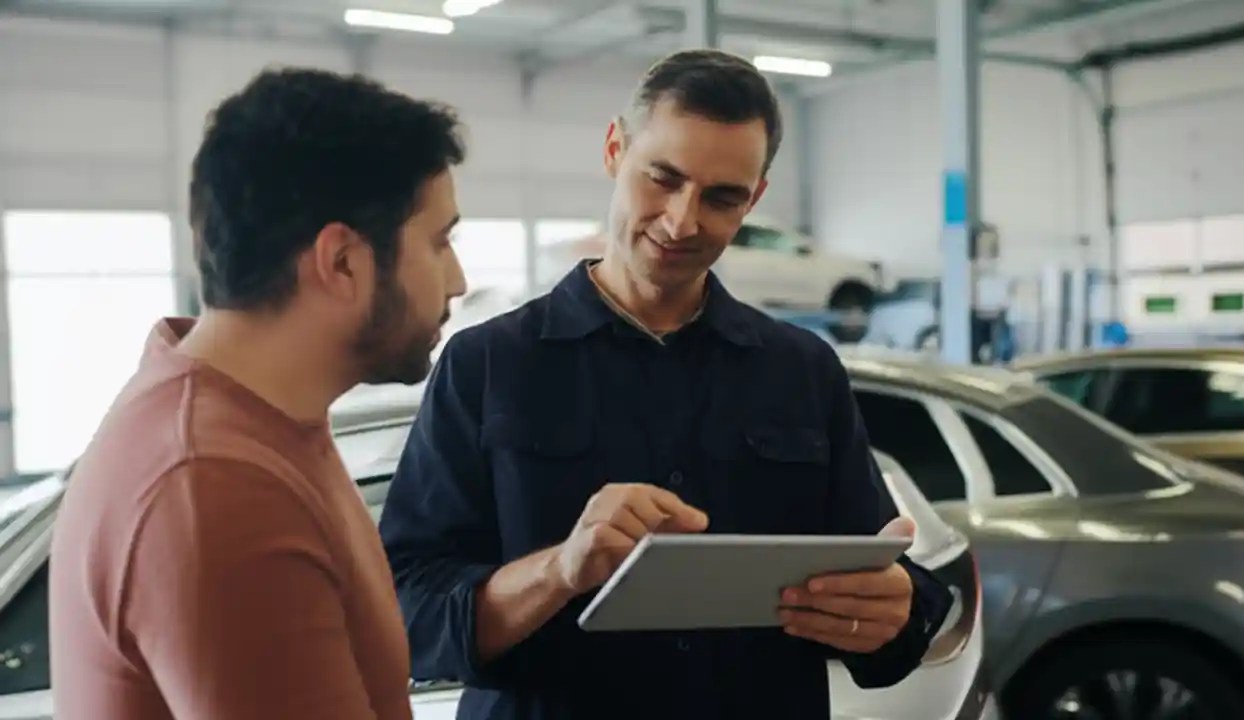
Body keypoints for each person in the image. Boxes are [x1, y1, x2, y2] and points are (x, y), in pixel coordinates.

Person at [379, 49, 952, 720]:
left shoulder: (803, 371)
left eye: (722, 198)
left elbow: (878, 585)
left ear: (755, 198)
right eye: (663, 178)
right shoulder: (486, 365)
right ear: (615, 150)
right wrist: (561, 570)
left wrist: (898, 612)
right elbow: (407, 613)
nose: (682, 221)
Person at [48, 67, 468, 720]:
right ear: (341, 262)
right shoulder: (216, 484)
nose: (458, 280)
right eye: (439, 242)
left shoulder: (251, 421)